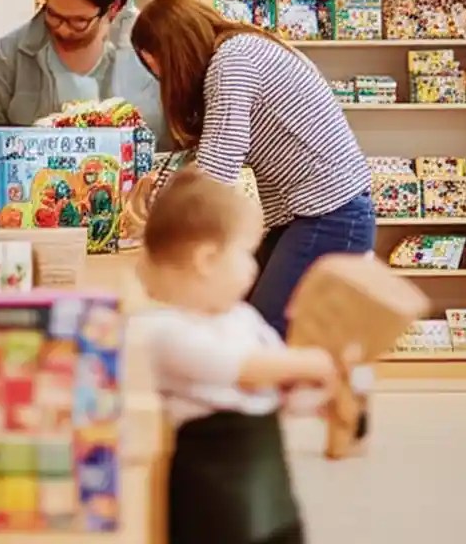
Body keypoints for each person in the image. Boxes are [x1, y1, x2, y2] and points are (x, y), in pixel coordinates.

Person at [130, 0, 376, 440]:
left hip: (330, 210)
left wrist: (161, 220)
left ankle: (333, 400)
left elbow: (218, 169)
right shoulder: (242, 48)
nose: (159, 77)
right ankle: (336, 395)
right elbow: (214, 161)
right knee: (242, 319)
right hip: (312, 211)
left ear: (163, 52)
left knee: (258, 334)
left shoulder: (233, 61)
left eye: (154, 65)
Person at [136, 169, 339, 544]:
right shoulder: (163, 329)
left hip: (271, 490)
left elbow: (277, 385)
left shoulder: (243, 318)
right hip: (214, 499)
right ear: (207, 259)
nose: (255, 267)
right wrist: (316, 363)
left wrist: (308, 394)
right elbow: (241, 369)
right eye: (247, 254)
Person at [0, 0, 170, 168]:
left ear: (113, 8)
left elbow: (172, 142)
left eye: (78, 21)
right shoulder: (7, 58)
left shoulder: (150, 52)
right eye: (53, 15)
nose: (62, 29)